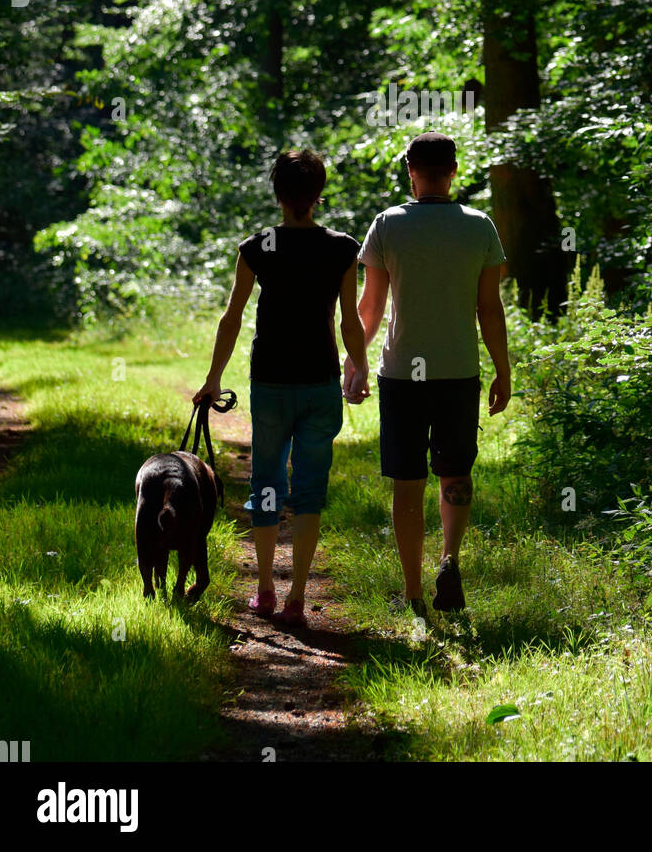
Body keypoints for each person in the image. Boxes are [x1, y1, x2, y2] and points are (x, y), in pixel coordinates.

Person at [194, 149, 367, 625]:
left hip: (270, 382)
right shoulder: (341, 247)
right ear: (318, 194)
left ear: (278, 194)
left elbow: (232, 317)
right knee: (309, 491)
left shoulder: (258, 246)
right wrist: (361, 366)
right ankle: (296, 598)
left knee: (266, 482)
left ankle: (265, 589)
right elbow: (349, 320)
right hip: (320, 382)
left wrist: (213, 380)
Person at [344, 132, 510, 617]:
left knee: (408, 481)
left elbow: (369, 308)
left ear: (410, 170)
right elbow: (490, 309)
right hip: (458, 370)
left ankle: (415, 593)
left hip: (402, 375)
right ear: (454, 170)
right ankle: (450, 559)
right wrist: (503, 371)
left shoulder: (388, 224)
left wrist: (354, 363)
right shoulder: (479, 227)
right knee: (455, 473)